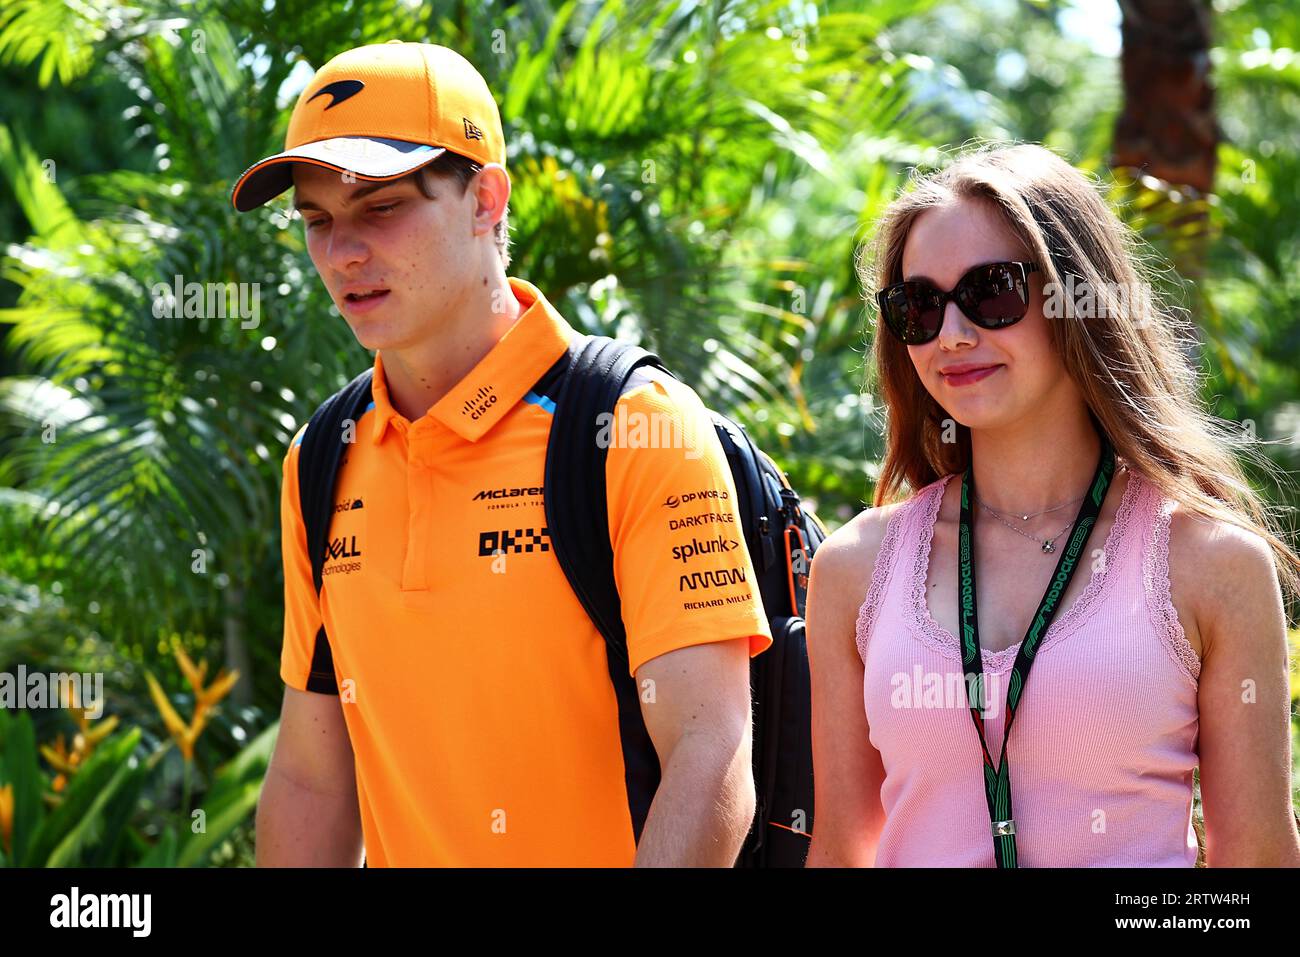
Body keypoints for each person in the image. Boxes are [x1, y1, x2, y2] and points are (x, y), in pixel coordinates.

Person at [231, 41, 771, 866]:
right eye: (317, 220)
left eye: (380, 208)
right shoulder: (320, 458)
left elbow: (711, 750)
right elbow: (311, 778)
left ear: (486, 199)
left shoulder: (634, 425)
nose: (341, 253)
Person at [805, 143, 1300, 867]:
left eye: (993, 290)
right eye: (919, 305)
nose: (952, 334)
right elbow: (842, 852)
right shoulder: (853, 569)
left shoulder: (1213, 563)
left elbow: (1256, 867)